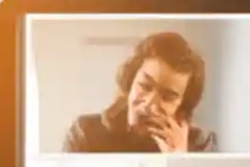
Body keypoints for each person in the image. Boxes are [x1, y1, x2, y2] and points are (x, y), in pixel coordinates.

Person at [63, 32, 217, 153]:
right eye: (144, 86)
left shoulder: (199, 145)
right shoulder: (85, 133)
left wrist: (179, 162)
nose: (150, 105)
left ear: (182, 108)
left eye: (167, 97)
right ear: (130, 83)